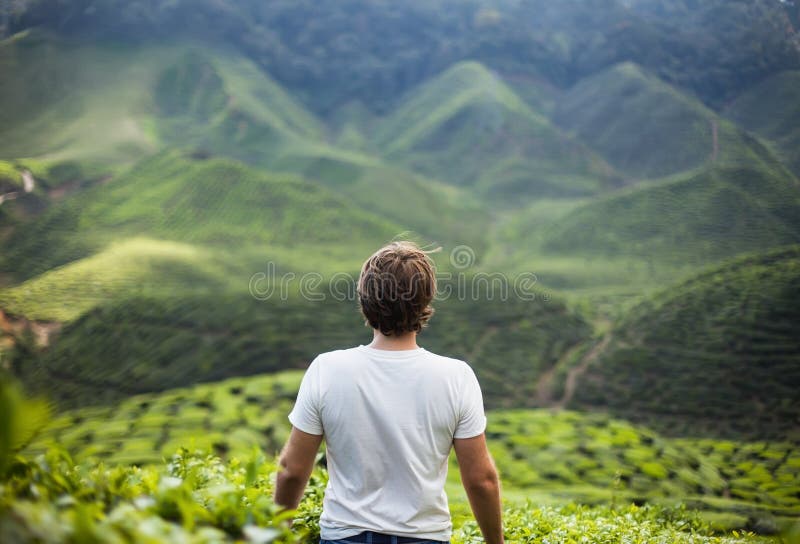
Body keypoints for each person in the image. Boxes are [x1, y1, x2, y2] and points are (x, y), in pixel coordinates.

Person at [274, 241, 504, 544]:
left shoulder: (327, 369)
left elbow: (292, 470)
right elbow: (481, 481)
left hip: (345, 536)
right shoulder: (456, 377)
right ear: (425, 301)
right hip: (425, 538)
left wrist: (278, 533)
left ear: (364, 299)